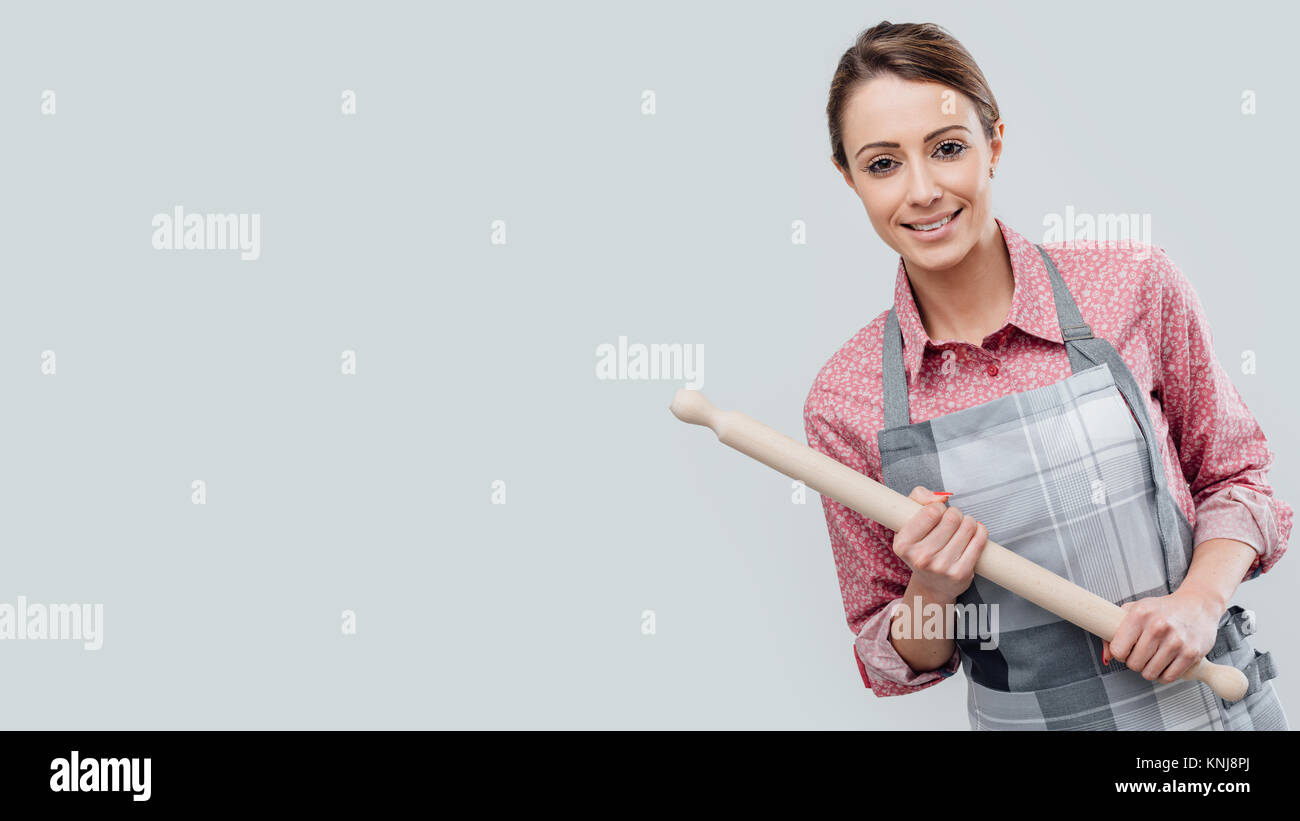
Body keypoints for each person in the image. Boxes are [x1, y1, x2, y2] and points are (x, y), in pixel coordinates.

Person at [803, 20, 1291, 730]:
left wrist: (1198, 603)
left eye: (947, 149)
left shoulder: (1131, 284)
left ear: (994, 144)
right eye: (882, 164)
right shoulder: (846, 400)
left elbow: (1237, 477)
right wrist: (933, 586)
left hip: (1207, 730)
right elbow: (890, 654)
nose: (923, 190)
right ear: (848, 178)